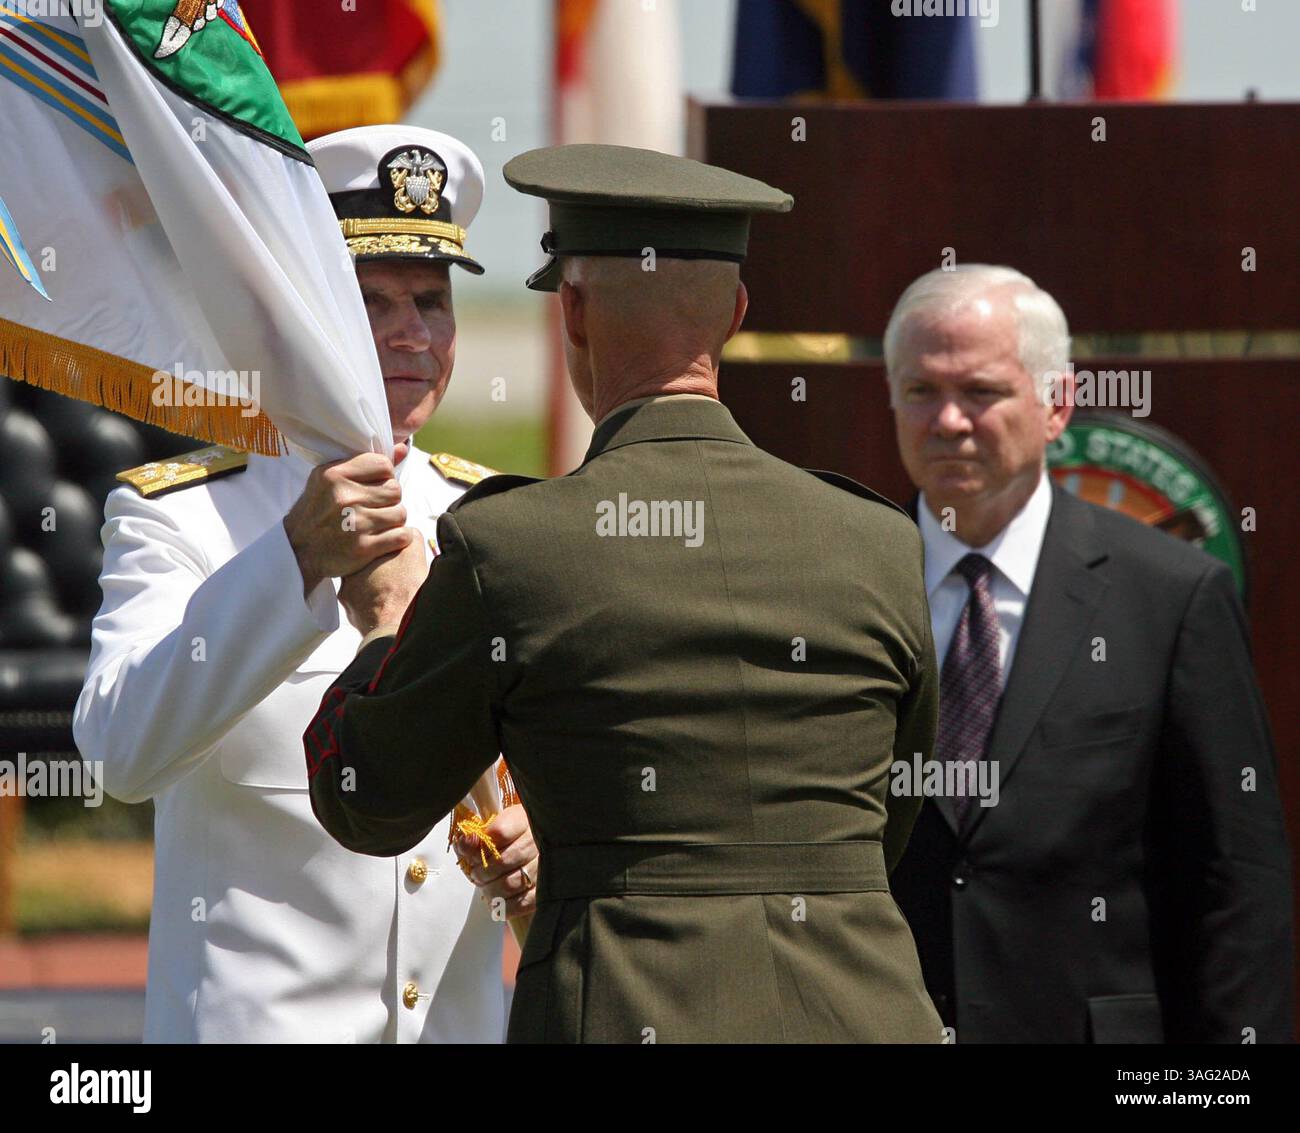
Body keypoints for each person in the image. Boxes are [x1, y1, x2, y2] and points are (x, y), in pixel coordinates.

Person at [302, 143, 944, 1044]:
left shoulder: (513, 547)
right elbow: (890, 817)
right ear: (737, 314)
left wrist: (378, 626)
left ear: (572, 309)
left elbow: (365, 795)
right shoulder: (878, 541)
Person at [74, 126, 536, 1044]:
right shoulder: (184, 516)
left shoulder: (496, 519)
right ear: (302, 317)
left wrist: (542, 841)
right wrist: (296, 559)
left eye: (433, 303)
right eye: (373, 302)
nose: (415, 334)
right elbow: (119, 752)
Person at [884, 264, 1294, 1043]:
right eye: (919, 391)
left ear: (1057, 404)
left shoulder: (1170, 595)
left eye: (979, 392)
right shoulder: (848, 584)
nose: (947, 420)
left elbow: (1235, 884)